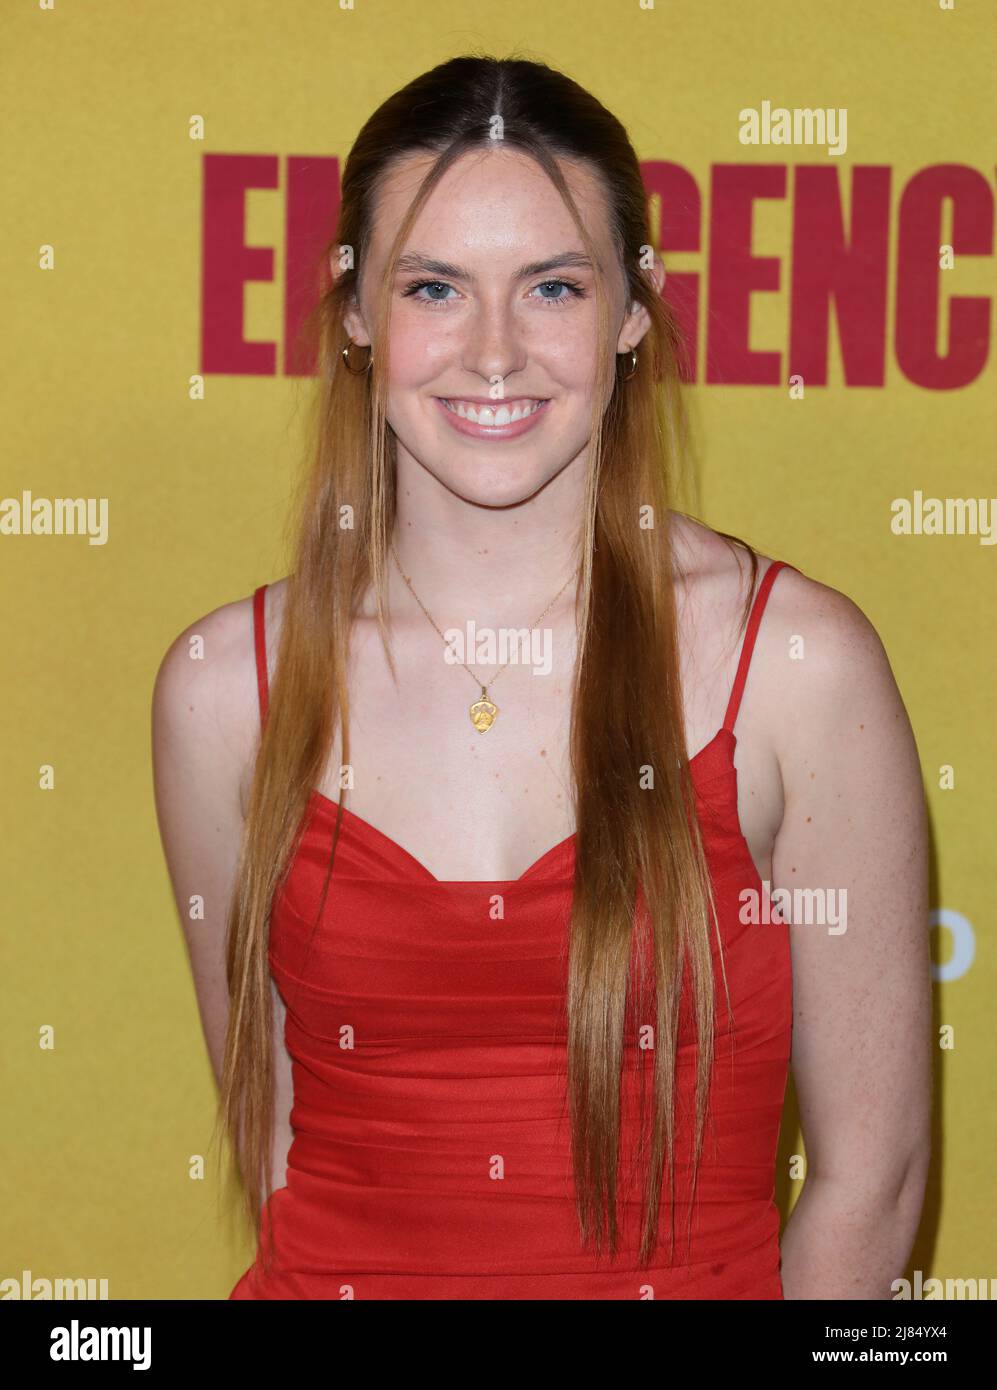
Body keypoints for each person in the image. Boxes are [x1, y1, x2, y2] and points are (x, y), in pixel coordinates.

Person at [152, 54, 931, 1300]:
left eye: (554, 286)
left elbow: (873, 1178)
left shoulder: (796, 668)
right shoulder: (221, 690)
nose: (495, 351)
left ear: (635, 309)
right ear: (355, 311)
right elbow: (284, 1142)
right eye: (434, 287)